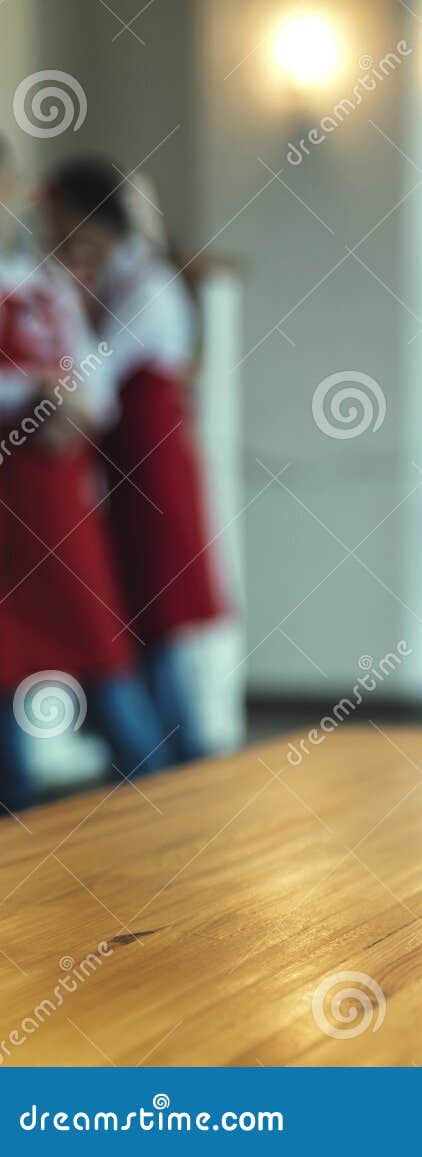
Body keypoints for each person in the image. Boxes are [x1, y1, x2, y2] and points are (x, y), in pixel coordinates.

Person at [0, 139, 171, 812]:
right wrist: (29, 394)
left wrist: (64, 404)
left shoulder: (43, 282)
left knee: (104, 660)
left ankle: (165, 821)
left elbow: (94, 388)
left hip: (59, 507)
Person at [39, 156, 224, 765]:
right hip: (130, 477)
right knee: (145, 632)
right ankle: (171, 775)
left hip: (154, 479)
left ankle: (179, 774)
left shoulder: (146, 286)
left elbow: (95, 378)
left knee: (157, 629)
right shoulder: (123, 280)